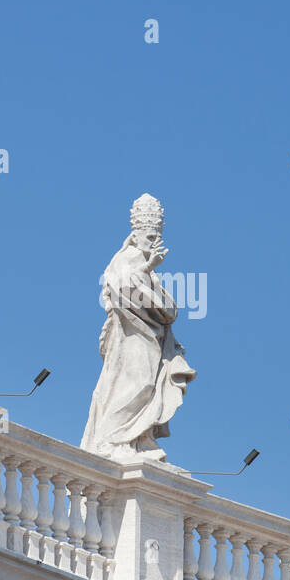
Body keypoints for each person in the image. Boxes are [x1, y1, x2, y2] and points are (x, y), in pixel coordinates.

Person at [81, 193, 194, 462]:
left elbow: (167, 309)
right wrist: (146, 267)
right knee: (137, 383)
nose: (156, 243)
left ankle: (138, 438)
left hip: (148, 338)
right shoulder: (127, 257)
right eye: (150, 237)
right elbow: (122, 289)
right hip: (130, 336)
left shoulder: (146, 266)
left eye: (157, 237)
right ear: (136, 235)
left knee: (147, 384)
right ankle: (114, 439)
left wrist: (149, 273)